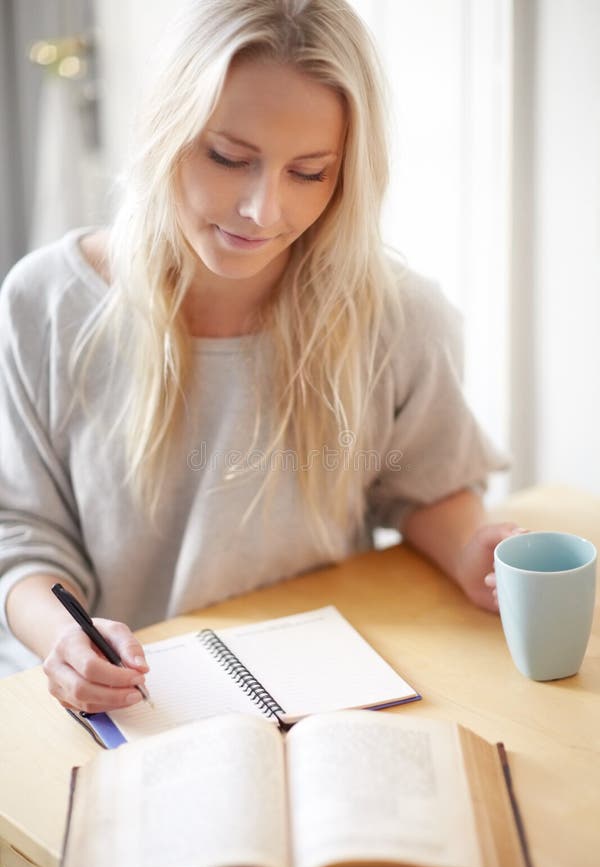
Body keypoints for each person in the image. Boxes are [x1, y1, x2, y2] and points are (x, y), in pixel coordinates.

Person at [0, 0, 517, 710]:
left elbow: (426, 484)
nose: (262, 211)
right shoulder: (47, 304)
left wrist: (470, 552)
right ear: (165, 131)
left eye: (309, 172)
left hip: (322, 700)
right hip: (121, 708)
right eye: (229, 158)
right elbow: (22, 537)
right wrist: (63, 640)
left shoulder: (396, 315)